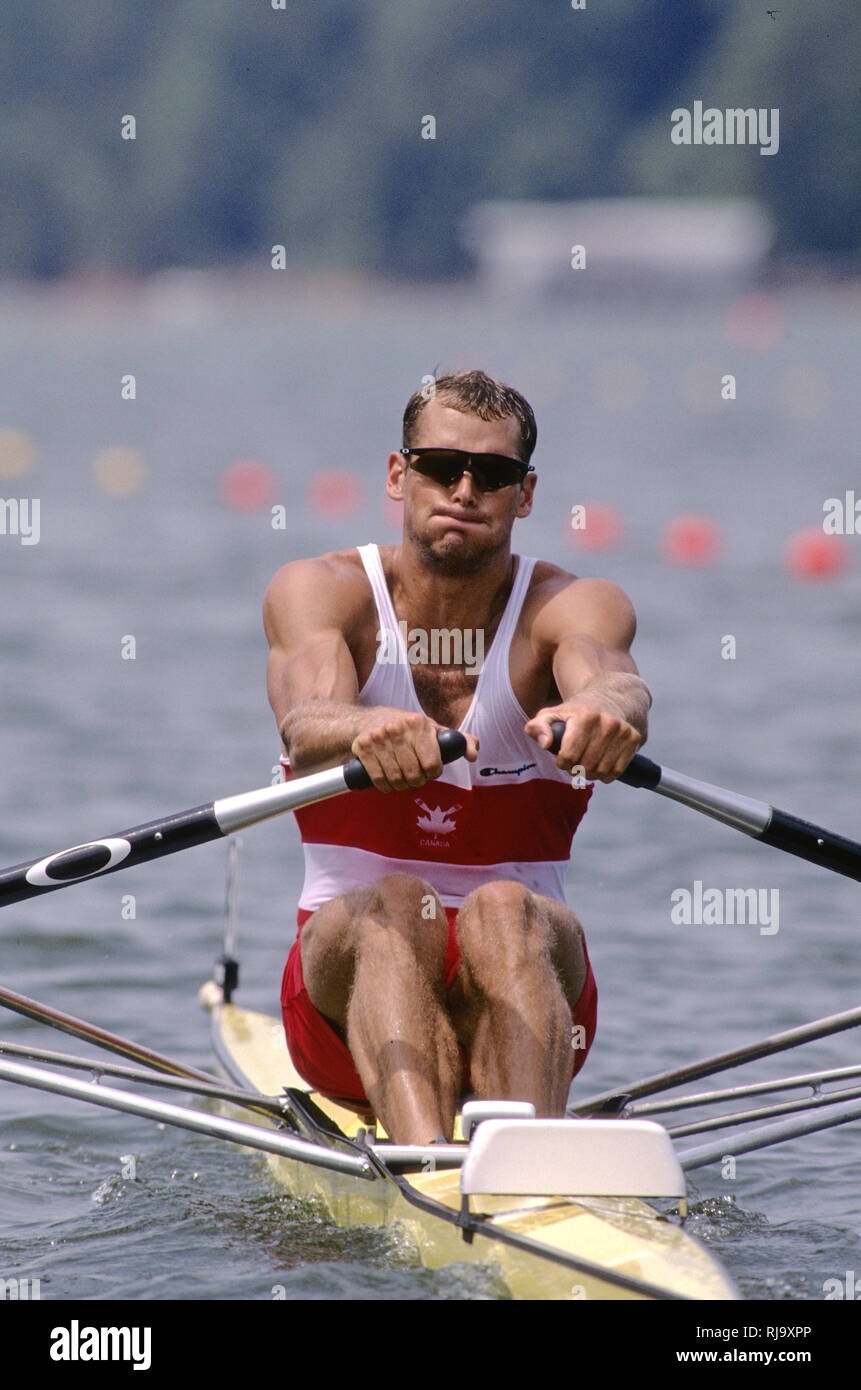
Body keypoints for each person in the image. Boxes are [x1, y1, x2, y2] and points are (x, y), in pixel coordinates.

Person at [264, 370, 649, 1145]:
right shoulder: (324, 591)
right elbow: (306, 722)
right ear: (399, 474)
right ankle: (432, 1170)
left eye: (494, 475)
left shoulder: (569, 603)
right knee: (398, 903)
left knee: (501, 907)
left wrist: (604, 714)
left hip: (525, 982)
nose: (465, 490)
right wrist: (362, 731)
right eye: (442, 467)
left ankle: (522, 1173)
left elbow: (613, 680)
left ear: (526, 494)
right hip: (342, 1007)